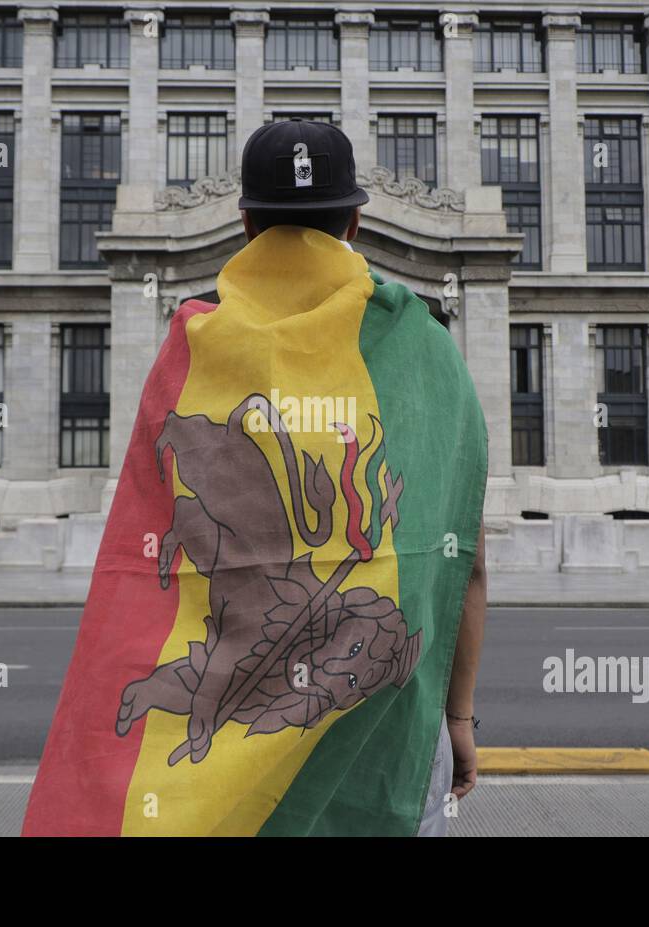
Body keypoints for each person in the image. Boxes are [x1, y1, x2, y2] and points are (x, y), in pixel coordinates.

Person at [24, 119, 488, 837]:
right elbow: (466, 562)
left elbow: (141, 561)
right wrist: (458, 717)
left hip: (235, 753)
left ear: (244, 221)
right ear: (357, 221)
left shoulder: (193, 344)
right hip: (394, 736)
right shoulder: (423, 349)